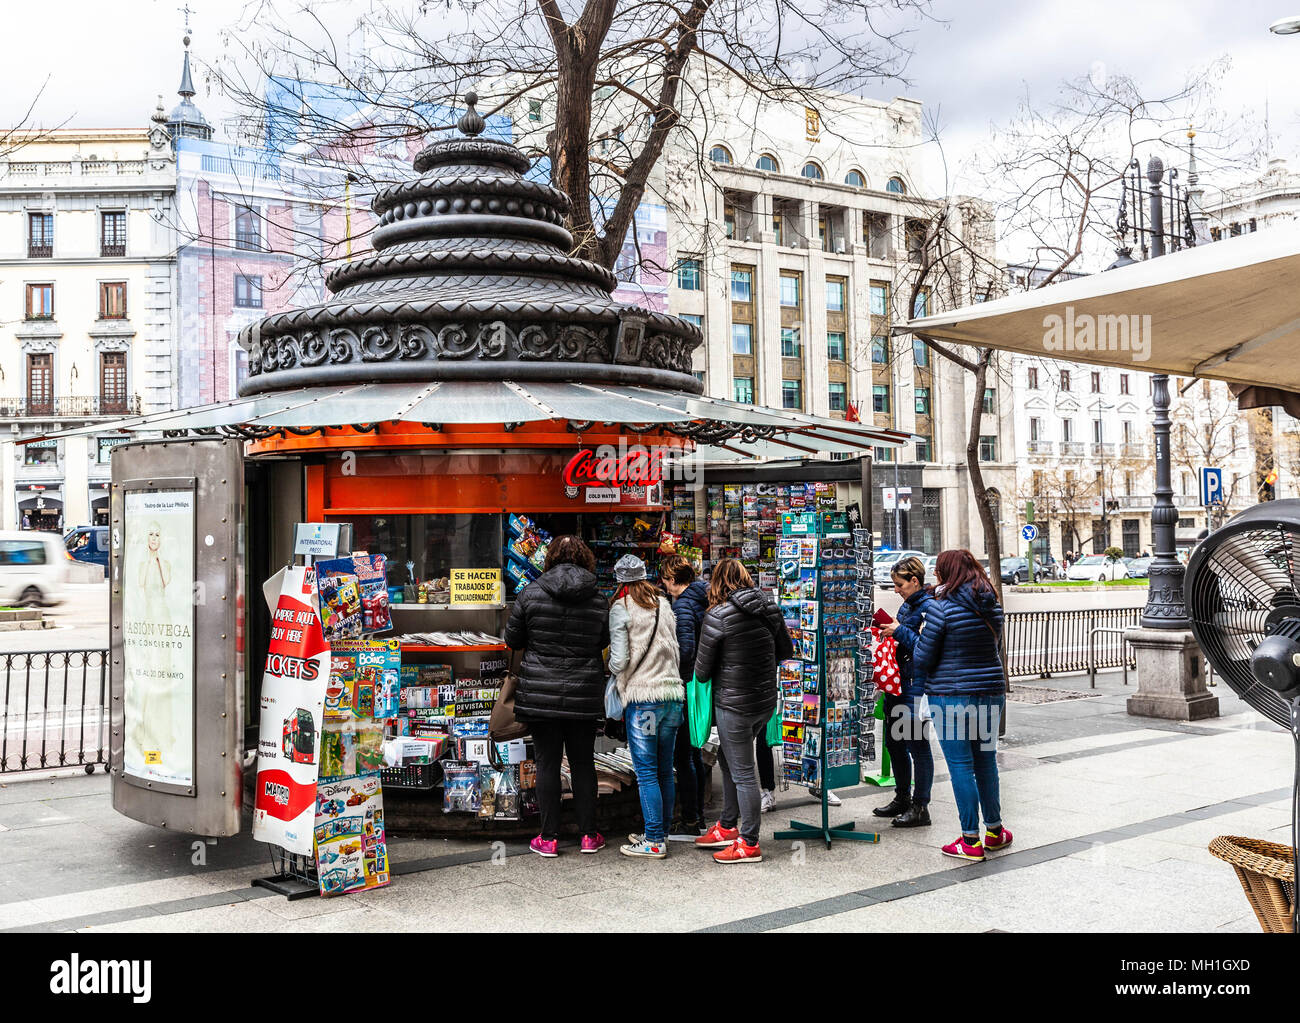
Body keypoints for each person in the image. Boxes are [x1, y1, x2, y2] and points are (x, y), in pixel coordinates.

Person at [504, 535, 610, 858]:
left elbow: (513, 638)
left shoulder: (530, 593)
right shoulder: (597, 598)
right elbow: (603, 640)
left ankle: (548, 838)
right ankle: (589, 836)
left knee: (547, 764)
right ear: (585, 559)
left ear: (548, 559)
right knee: (582, 763)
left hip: (541, 695)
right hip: (584, 695)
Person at [912, 548, 1011, 862]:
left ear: (946, 573)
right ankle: (994, 832)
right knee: (986, 761)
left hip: (951, 695)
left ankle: (970, 840)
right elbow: (992, 646)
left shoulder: (941, 608)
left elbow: (922, 658)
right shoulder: (991, 603)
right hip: (990, 691)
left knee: (960, 767)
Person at [691, 558, 793, 864]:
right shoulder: (769, 609)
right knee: (729, 761)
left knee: (744, 773)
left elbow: (702, 670)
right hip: (763, 702)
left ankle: (748, 842)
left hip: (733, 704)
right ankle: (726, 825)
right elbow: (786, 651)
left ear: (717, 582)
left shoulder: (718, 616)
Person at [608, 555, 685, 859]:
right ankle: (660, 830)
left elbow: (619, 660)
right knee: (665, 770)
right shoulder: (663, 605)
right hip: (671, 699)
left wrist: (613, 672)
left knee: (647, 772)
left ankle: (654, 840)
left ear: (620, 582)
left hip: (645, 703)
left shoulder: (621, 608)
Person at [877, 556, 937, 827]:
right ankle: (902, 797)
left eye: (899, 584)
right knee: (893, 742)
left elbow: (926, 648)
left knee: (917, 745)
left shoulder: (928, 608)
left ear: (915, 581)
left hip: (914, 685)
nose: (896, 590)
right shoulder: (908, 605)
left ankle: (920, 805)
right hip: (897, 683)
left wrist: (899, 630)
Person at [660, 554, 708, 834]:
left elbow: (686, 648)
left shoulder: (685, 605)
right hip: (700, 684)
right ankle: (697, 814)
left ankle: (691, 817)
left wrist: (674, 672)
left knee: (684, 755)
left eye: (666, 580)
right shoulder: (702, 597)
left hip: (687, 684)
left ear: (674, 579)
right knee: (694, 752)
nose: (664, 586)